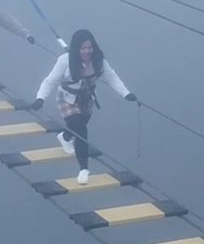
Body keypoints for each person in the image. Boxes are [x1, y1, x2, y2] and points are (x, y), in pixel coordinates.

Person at [35, 29, 137, 185]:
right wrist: (40, 98)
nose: (87, 51)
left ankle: (65, 137)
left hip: (86, 99)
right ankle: (84, 169)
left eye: (89, 48)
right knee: (81, 131)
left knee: (77, 126)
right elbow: (50, 81)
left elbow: (112, 78)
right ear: (76, 48)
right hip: (67, 98)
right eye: (83, 48)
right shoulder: (65, 60)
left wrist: (126, 94)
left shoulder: (99, 61)